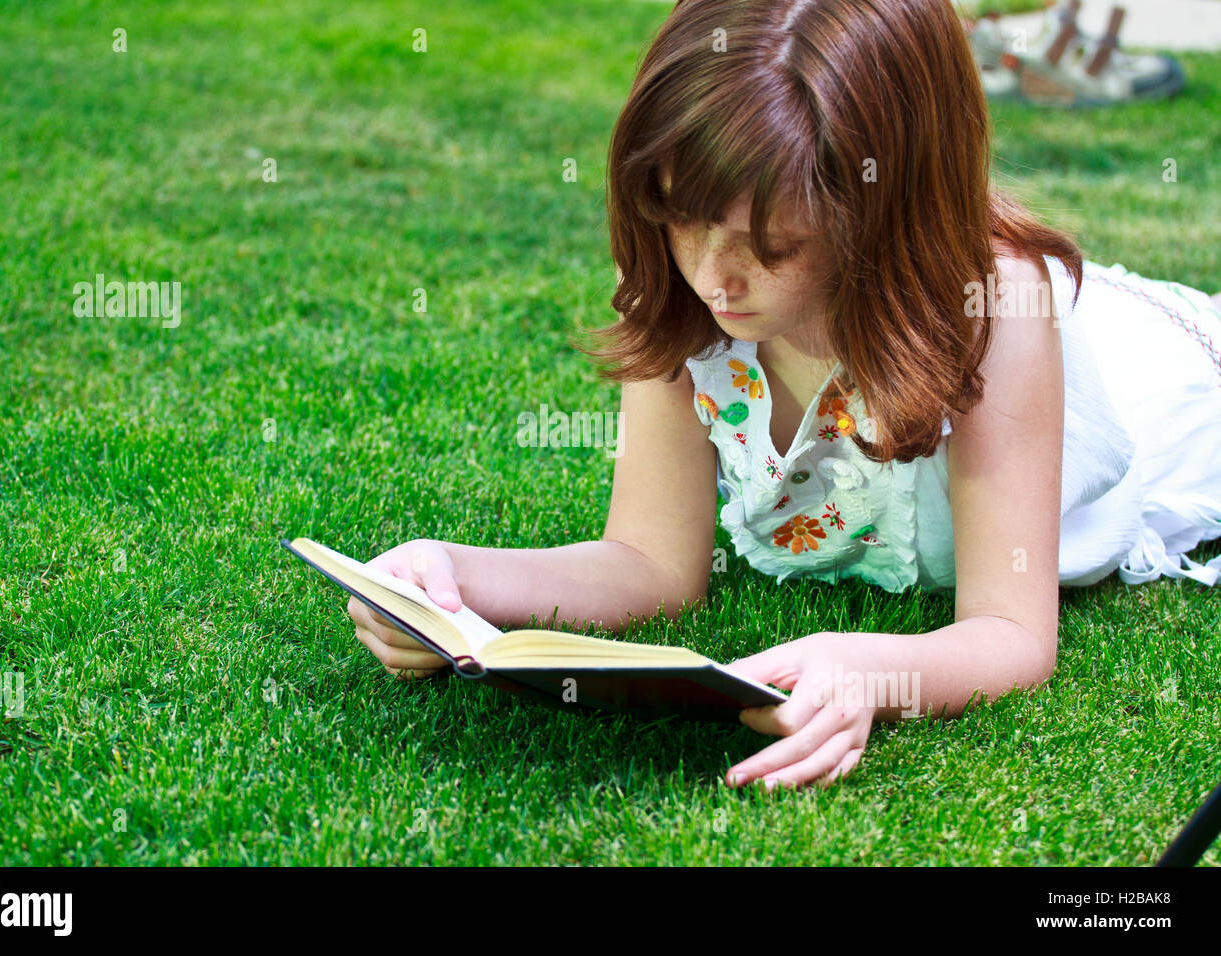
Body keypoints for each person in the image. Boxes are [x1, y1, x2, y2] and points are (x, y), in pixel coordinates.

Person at [346, 0, 1221, 790]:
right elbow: (651, 563)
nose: (713, 278)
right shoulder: (684, 286)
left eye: (773, 245)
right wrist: (458, 578)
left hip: (1167, 385)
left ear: (887, 210)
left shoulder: (995, 313)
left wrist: (871, 669)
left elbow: (1010, 630)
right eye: (682, 218)